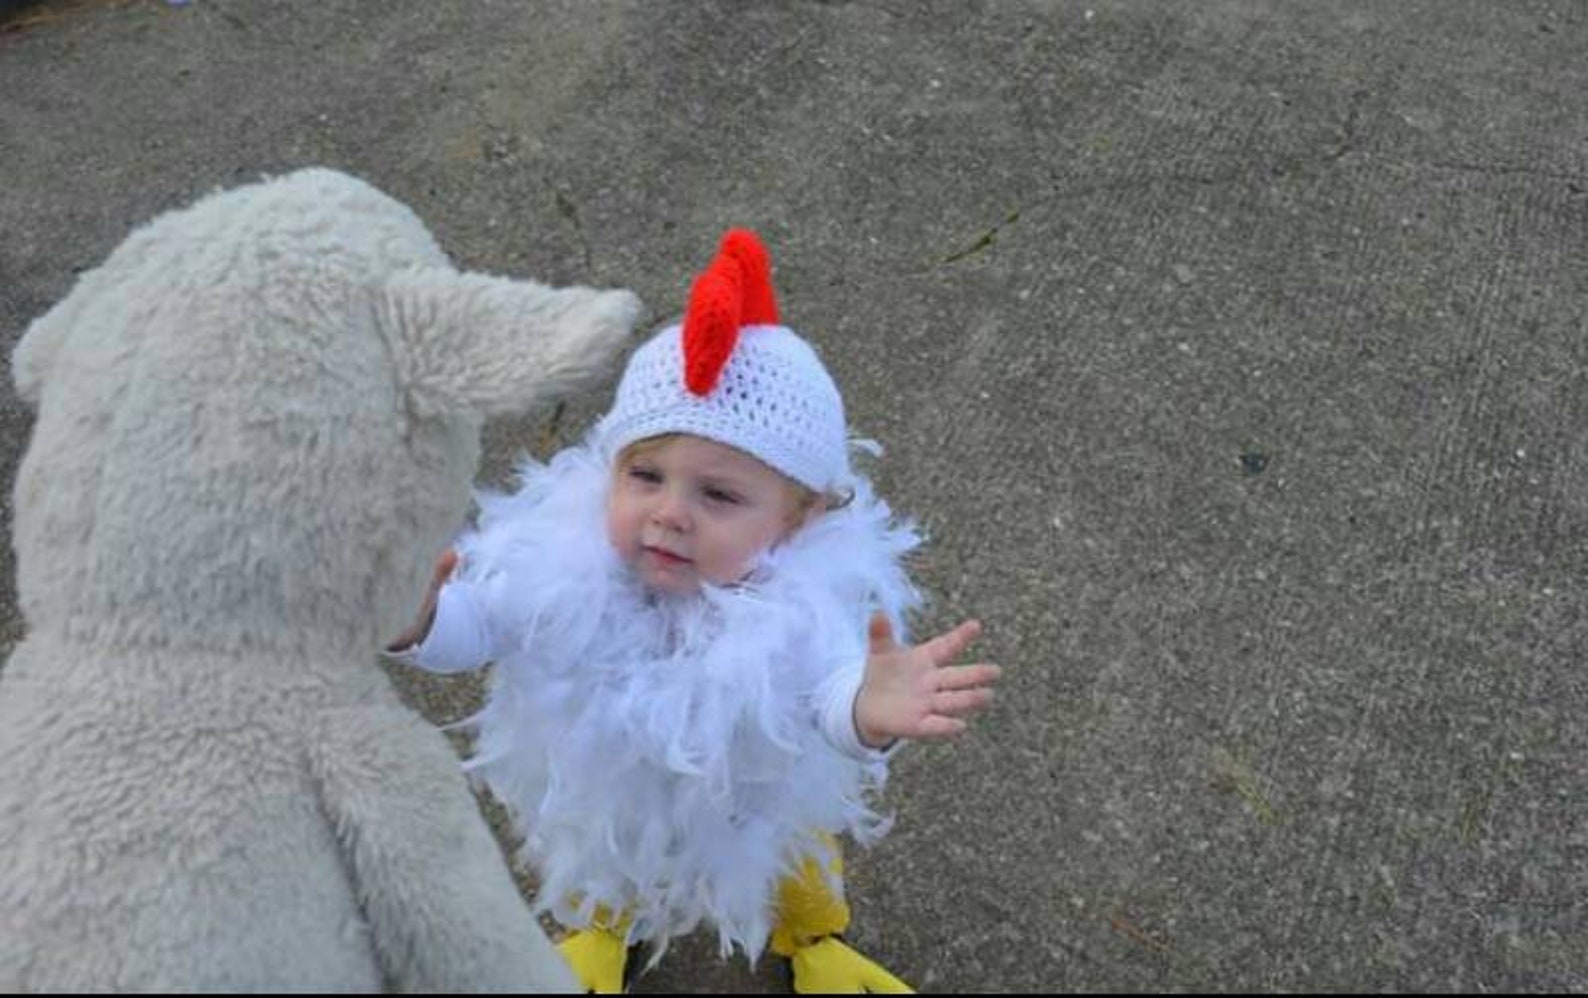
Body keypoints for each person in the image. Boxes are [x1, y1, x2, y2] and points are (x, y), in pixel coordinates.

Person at [385, 229, 1000, 993]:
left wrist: (867, 712)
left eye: (718, 494)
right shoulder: (560, 566)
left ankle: (813, 941)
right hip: (607, 794)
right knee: (601, 858)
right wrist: (417, 619)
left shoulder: (799, 609)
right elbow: (480, 624)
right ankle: (603, 931)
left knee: (794, 864)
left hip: (754, 800)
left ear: (799, 517)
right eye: (646, 474)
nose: (670, 513)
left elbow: (831, 693)